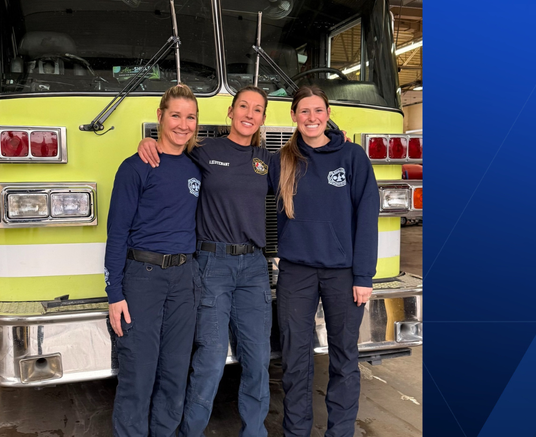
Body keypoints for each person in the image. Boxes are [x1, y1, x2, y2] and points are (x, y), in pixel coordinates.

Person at [138, 86, 273, 437]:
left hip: (255, 269)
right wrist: (146, 144)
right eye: (243, 106)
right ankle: (190, 432)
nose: (249, 114)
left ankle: (255, 431)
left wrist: (336, 138)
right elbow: (169, 154)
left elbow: (308, 164)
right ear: (230, 112)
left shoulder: (266, 160)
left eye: (257, 109)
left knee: (258, 360)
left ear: (262, 118)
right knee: (211, 361)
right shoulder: (204, 152)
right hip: (213, 266)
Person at [272, 85, 379, 437]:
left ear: (328, 113)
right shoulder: (282, 160)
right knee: (295, 358)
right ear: (293, 117)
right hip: (296, 272)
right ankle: (296, 431)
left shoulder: (352, 157)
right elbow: (235, 172)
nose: (312, 117)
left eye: (318, 110)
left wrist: (363, 275)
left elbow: (367, 216)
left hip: (343, 274)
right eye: (304, 111)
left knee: (344, 359)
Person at [105, 84, 203, 437]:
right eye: (175, 115)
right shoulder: (135, 168)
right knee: (138, 375)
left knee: (175, 375)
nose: (183, 124)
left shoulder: (196, 168)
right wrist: (114, 294)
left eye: (190, 117)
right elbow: (116, 234)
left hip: (184, 279)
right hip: (142, 278)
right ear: (160, 117)